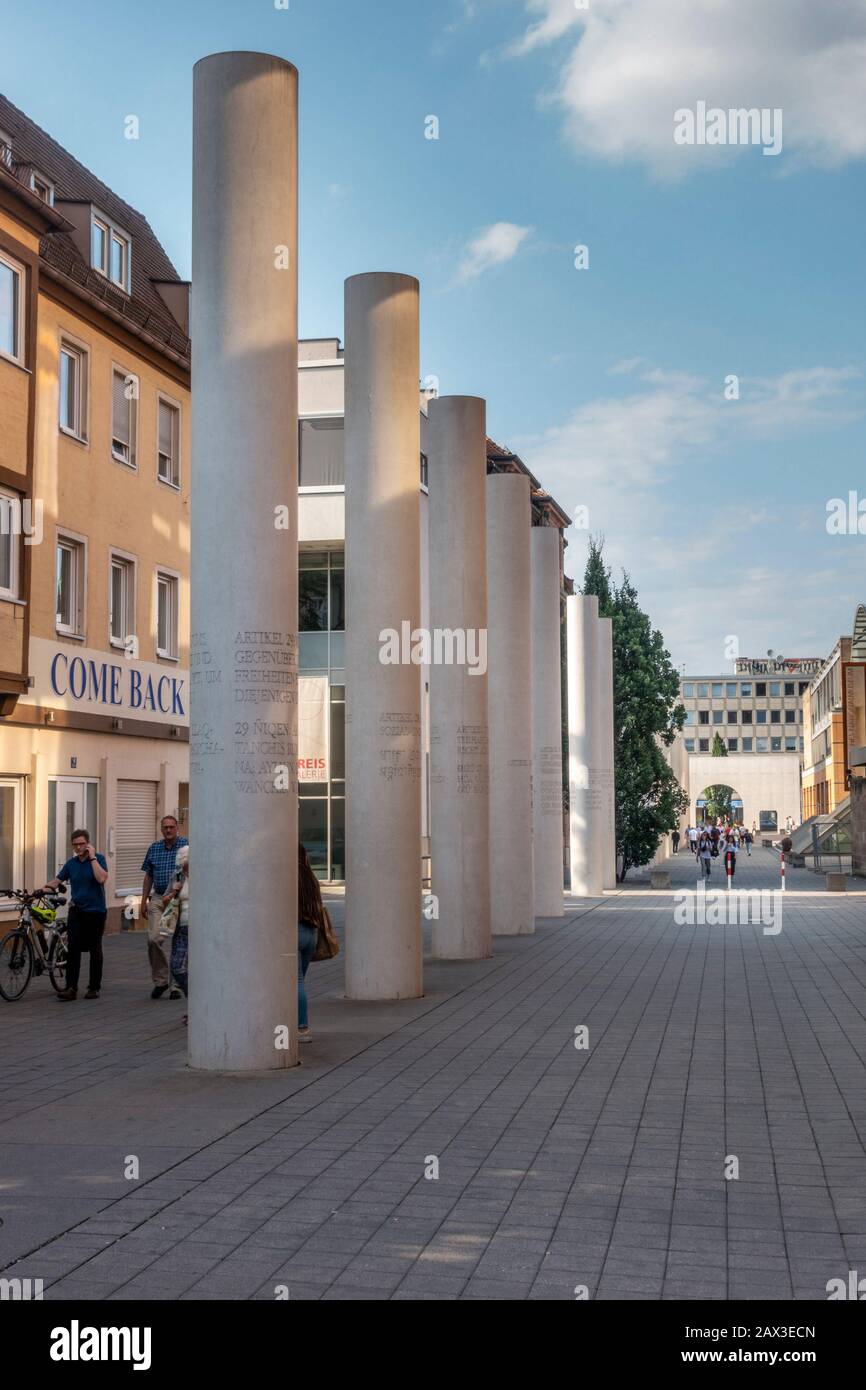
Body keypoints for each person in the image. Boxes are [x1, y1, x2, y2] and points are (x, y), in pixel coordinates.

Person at [43, 828, 109, 1001]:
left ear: (88, 844)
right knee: (73, 949)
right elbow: (57, 880)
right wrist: (41, 890)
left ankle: (94, 987)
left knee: (95, 949)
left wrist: (93, 857)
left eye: (82, 844)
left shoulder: (99, 859)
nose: (79, 847)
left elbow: (102, 878)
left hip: (96, 912)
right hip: (77, 910)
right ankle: (71, 987)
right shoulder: (71, 864)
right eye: (75, 845)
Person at [140, 816, 189, 1000]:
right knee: (153, 939)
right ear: (161, 830)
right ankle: (161, 980)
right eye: (165, 828)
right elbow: (148, 876)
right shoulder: (154, 848)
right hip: (159, 897)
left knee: (178, 942)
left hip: (179, 899)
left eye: (171, 827)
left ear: (177, 828)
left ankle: (175, 986)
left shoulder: (186, 846)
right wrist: (144, 900)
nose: (168, 830)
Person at [298, 842, 326, 1044]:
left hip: (294, 931)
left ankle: (301, 1028)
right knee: (298, 982)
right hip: (311, 933)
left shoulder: (288, 877)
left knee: (294, 983)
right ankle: (297, 1025)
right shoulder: (311, 878)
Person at [161, 844, 190, 1025]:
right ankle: (195, 1001)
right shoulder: (177, 875)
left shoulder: (207, 876)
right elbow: (164, 900)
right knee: (177, 967)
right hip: (180, 928)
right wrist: (175, 891)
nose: (185, 866)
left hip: (200, 929)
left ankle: (195, 1008)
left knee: (197, 971)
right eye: (183, 863)